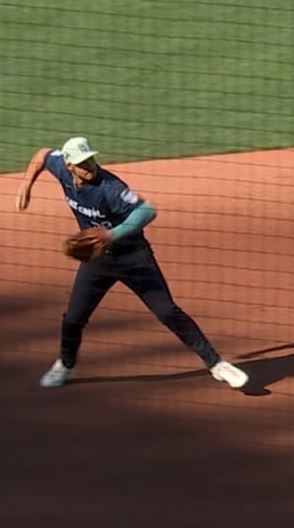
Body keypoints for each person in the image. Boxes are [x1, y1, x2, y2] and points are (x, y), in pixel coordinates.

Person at [15, 136, 248, 390]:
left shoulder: (110, 187)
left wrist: (113, 234)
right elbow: (42, 155)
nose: (90, 166)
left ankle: (216, 364)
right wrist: (26, 187)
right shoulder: (61, 167)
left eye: (91, 159)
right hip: (99, 260)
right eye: (82, 163)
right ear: (69, 165)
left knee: (167, 311)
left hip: (134, 259)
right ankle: (66, 365)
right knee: (73, 318)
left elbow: (148, 211)